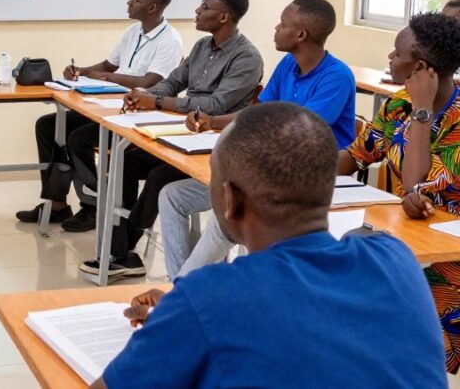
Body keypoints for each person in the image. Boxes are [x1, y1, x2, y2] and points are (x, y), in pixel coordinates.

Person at [89, 102, 445, 388]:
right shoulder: (396, 259)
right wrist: (183, 314)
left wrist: (185, 314)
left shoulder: (207, 297)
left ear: (230, 200)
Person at [159, 0, 356, 278]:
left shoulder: (337, 76)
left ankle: (184, 287)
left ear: (300, 34)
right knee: (173, 196)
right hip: (268, 173)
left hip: (307, 182)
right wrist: (212, 121)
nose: (276, 28)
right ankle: (179, 282)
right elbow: (259, 113)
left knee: (230, 217)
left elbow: (302, 134)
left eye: (282, 24)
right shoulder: (288, 64)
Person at [78, 0, 263, 278]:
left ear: (224, 17)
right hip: (183, 131)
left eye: (205, 7)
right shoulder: (201, 47)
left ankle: (123, 250)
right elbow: (174, 81)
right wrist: (145, 95)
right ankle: (123, 252)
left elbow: (217, 105)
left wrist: (158, 102)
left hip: (213, 143)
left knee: (159, 176)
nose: (197, 11)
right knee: (124, 160)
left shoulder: (246, 57)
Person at [338, 12, 460, 373]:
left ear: (421, 67)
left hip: (450, 258)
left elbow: (416, 185)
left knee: (405, 343)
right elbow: (355, 155)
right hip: (410, 241)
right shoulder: (397, 104)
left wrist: (422, 110)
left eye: (397, 53)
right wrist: (291, 170)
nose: (390, 58)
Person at [15, 0, 183, 227]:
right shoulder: (133, 32)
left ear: (152, 7)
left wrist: (105, 77)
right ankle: (57, 204)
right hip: (110, 107)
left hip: (137, 115)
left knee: (78, 139)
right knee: (47, 126)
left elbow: (150, 82)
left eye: (136, 0)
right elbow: (108, 65)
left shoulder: (170, 40)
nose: (129, 2)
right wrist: (81, 71)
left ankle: (93, 207)